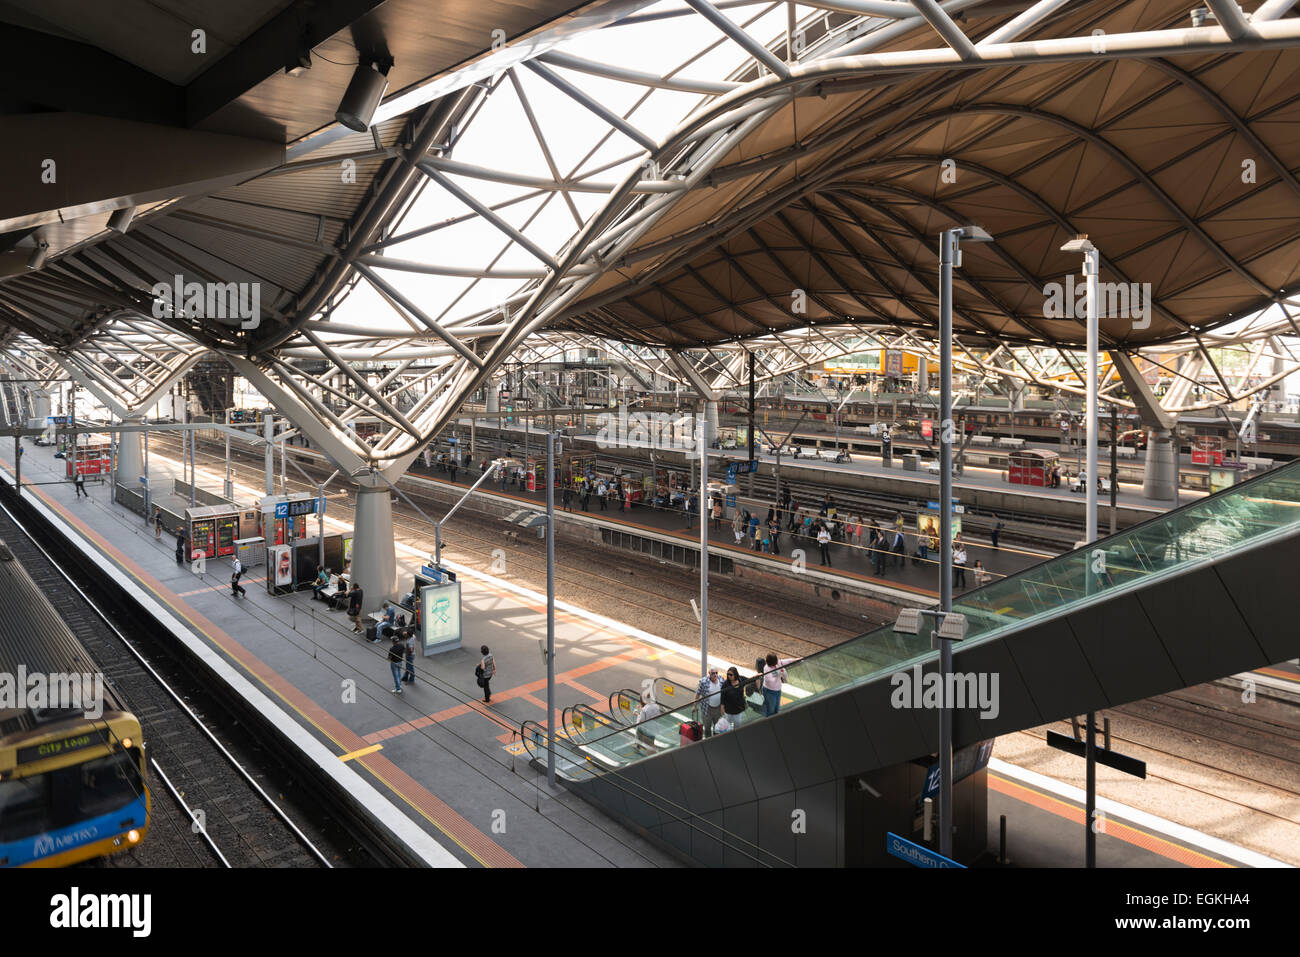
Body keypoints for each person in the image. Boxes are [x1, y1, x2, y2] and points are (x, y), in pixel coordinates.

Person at [695, 667, 723, 737]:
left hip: (718, 709)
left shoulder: (721, 679)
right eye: (713, 673)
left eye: (716, 673)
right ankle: (708, 740)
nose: (715, 675)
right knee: (707, 727)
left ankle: (716, 738)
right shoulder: (703, 682)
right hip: (707, 710)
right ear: (709, 673)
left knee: (717, 726)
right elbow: (698, 693)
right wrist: (695, 706)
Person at [721, 667, 747, 731]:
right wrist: (722, 707)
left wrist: (757, 676)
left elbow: (750, 680)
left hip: (738, 709)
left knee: (737, 726)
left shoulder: (741, 679)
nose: (729, 676)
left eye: (731, 674)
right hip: (729, 710)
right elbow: (722, 696)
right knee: (727, 726)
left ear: (735, 674)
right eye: (728, 674)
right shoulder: (725, 684)